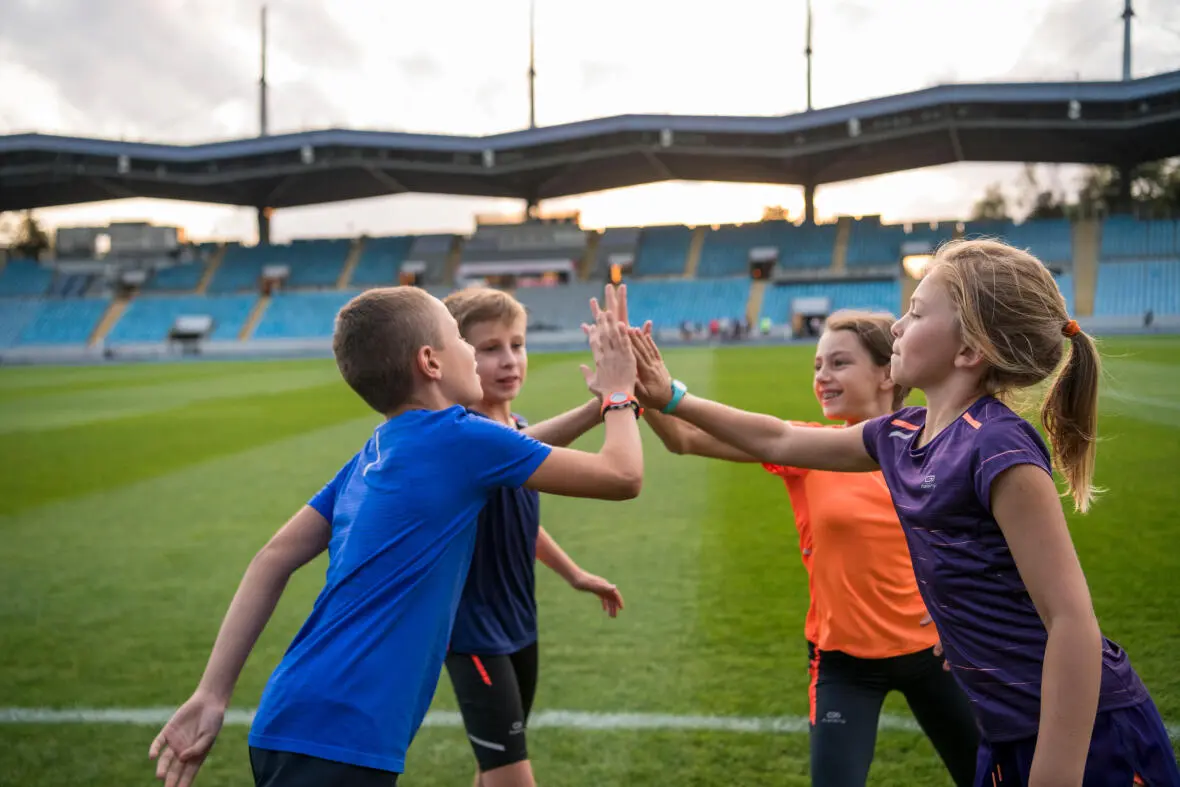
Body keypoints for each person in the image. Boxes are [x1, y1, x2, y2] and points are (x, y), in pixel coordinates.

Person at [621, 240, 1180, 787]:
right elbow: (781, 439)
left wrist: (1056, 774)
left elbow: (1072, 622)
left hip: (1079, 736)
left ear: (968, 352)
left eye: (915, 313)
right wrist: (670, 397)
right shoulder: (901, 434)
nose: (896, 327)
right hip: (1005, 727)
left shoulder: (998, 448)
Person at [148, 284, 645, 787]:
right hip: (341, 735)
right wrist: (621, 393)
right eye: (461, 339)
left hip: (296, 715)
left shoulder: (375, 451)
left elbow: (272, 557)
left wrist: (211, 695)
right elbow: (623, 476)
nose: (473, 352)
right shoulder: (459, 438)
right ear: (430, 362)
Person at [638, 309, 979, 787]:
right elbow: (683, 438)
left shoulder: (936, 445)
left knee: (992, 777)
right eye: (818, 365)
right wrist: (638, 385)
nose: (822, 377)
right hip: (843, 662)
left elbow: (985, 537)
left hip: (936, 656)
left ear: (887, 372)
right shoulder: (809, 448)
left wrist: (961, 608)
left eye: (839, 363)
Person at [441, 287, 626, 787]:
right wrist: (611, 401)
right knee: (511, 775)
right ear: (453, 354)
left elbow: (519, 518)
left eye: (517, 345)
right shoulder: (459, 433)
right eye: (489, 348)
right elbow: (517, 450)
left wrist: (574, 574)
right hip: (475, 635)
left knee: (495, 767)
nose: (509, 360)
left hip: (519, 622)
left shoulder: (515, 427)